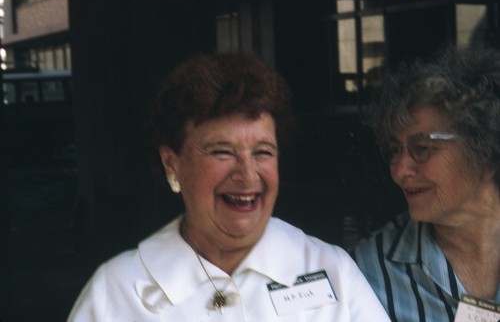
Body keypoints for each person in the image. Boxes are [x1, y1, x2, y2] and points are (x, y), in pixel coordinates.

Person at [68, 52, 389, 321]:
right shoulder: (115, 292)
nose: (248, 175)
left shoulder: (331, 271)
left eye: (263, 152)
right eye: (222, 151)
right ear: (171, 163)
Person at [352, 45, 500, 321]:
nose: (399, 171)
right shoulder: (368, 270)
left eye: (422, 148)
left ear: (486, 155)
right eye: (395, 150)